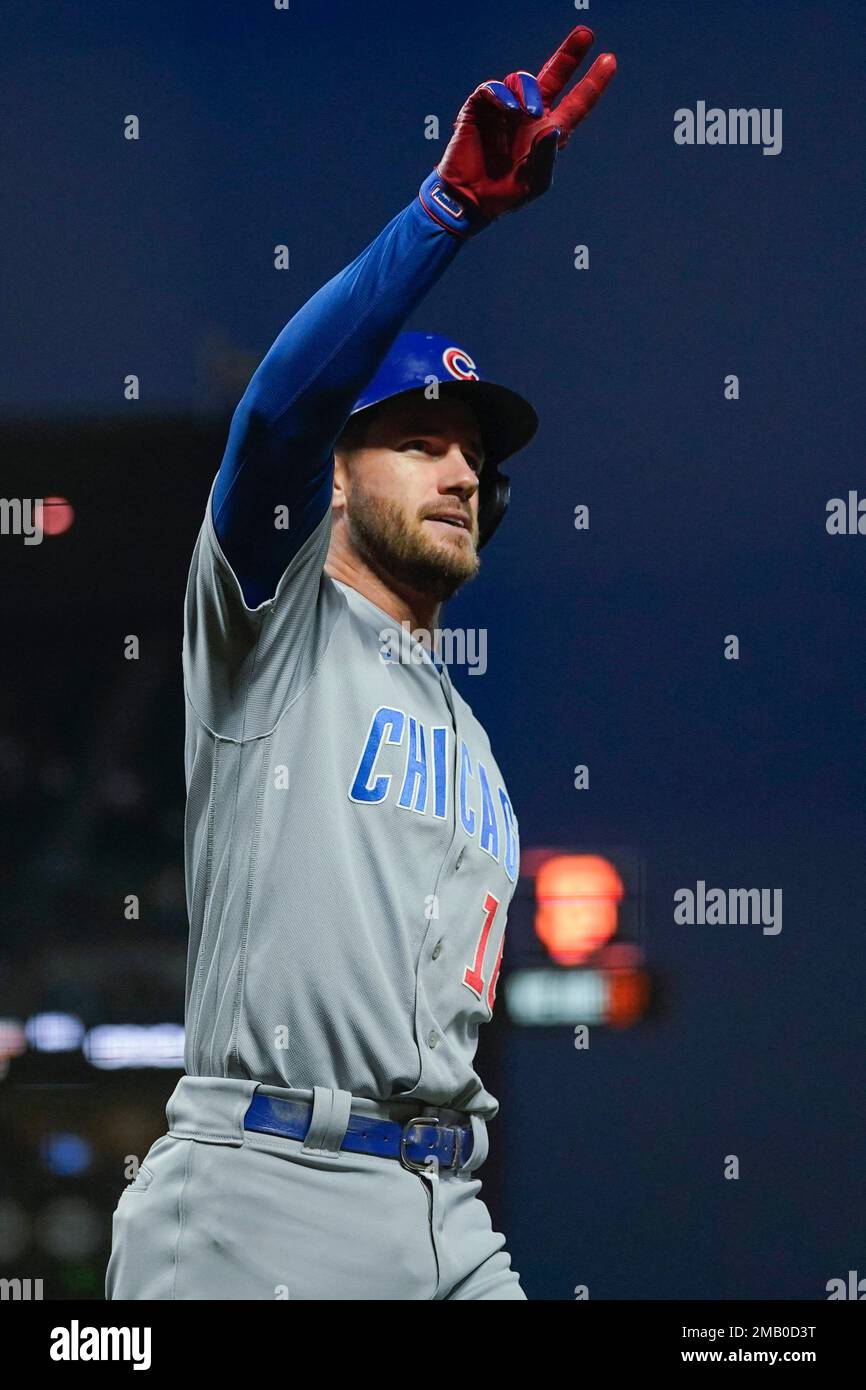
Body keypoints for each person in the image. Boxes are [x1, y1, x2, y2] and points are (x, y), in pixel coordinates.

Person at [106, 23, 616, 1301]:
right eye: (415, 439)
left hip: (447, 1209)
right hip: (259, 1195)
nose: (459, 469)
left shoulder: (475, 746)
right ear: (335, 476)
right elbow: (277, 411)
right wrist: (446, 210)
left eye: (472, 455)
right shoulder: (265, 630)